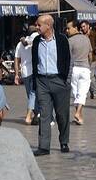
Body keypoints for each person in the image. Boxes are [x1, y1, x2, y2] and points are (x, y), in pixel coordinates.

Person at [29, 14, 73, 156]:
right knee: (44, 115)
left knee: (62, 114)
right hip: (42, 81)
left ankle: (64, 141)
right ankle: (44, 146)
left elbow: (69, 60)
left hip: (59, 80)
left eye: (39, 25)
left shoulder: (61, 40)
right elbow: (34, 61)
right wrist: (35, 81)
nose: (37, 27)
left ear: (48, 25)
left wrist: (66, 81)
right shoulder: (36, 41)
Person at [65, 21, 92, 126]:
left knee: (76, 93)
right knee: (82, 93)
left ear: (75, 28)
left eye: (68, 28)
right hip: (85, 69)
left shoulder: (69, 41)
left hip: (74, 69)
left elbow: (67, 57)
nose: (67, 31)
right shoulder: (86, 39)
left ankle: (78, 115)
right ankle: (79, 115)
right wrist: (89, 65)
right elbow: (90, 54)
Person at [13, 31, 37, 124]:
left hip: (25, 73)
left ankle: (36, 113)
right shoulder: (35, 41)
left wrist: (16, 74)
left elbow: (16, 60)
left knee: (31, 95)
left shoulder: (20, 44)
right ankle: (28, 116)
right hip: (34, 71)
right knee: (33, 94)